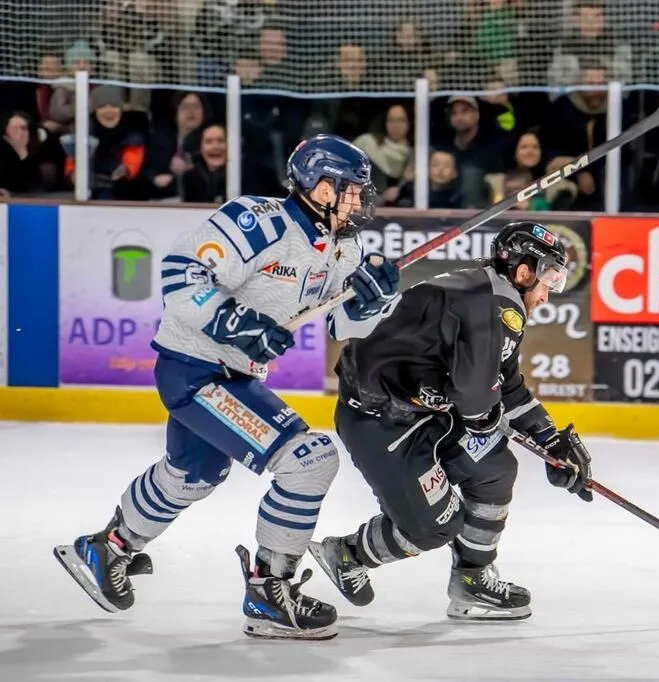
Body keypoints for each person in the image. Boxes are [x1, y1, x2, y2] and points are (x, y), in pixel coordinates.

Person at [53, 134, 401, 641]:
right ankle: (268, 590)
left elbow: (342, 324)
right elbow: (181, 273)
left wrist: (376, 302)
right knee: (310, 460)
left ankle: (106, 549)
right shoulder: (258, 221)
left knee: (192, 474)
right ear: (320, 186)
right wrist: (235, 323)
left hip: (234, 376)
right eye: (350, 189)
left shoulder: (344, 248)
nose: (358, 201)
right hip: (194, 369)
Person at [307, 221, 594, 621]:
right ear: (523, 271)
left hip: (421, 413)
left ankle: (472, 579)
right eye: (547, 280)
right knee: (437, 526)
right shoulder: (498, 305)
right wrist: (489, 418)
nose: (547, 294)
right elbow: (476, 403)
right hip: (381, 421)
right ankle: (347, 553)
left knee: (494, 469)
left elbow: (506, 386)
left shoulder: (491, 294)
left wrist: (550, 440)